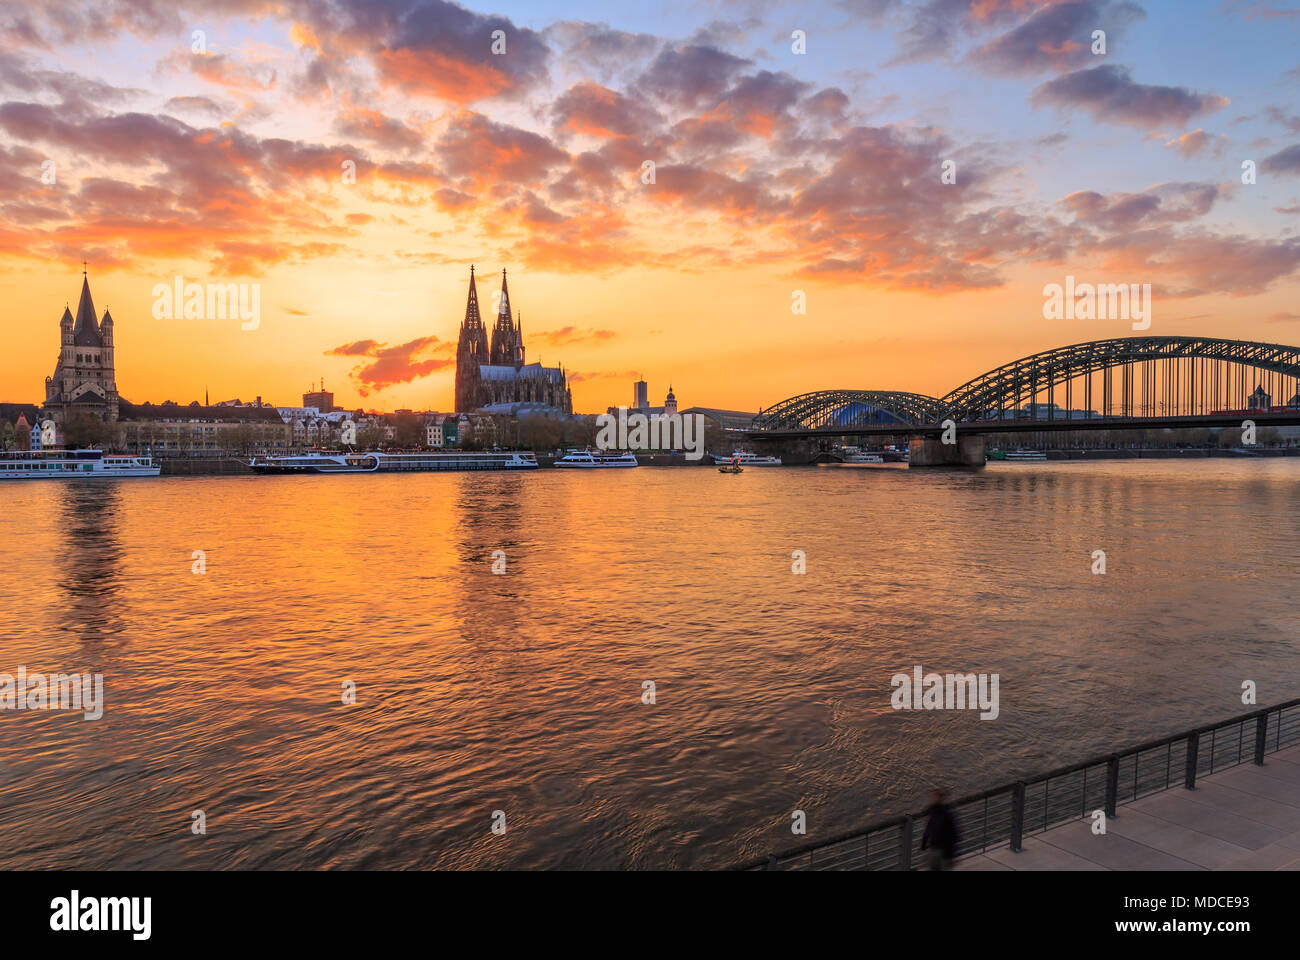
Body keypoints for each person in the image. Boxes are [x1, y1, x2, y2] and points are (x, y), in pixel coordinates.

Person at [920, 788, 960, 870]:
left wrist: (951, 855)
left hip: (944, 851)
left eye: (935, 797)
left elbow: (954, 834)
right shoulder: (933, 810)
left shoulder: (948, 814)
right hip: (933, 848)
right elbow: (929, 827)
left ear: (942, 798)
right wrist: (924, 843)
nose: (932, 799)